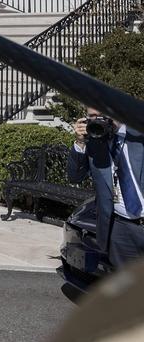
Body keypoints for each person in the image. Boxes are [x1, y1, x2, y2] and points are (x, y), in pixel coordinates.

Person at [69, 107, 144, 268]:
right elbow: (75, 177)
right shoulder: (94, 144)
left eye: (102, 115)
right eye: (92, 116)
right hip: (121, 229)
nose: (98, 120)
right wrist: (80, 142)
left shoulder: (138, 135)